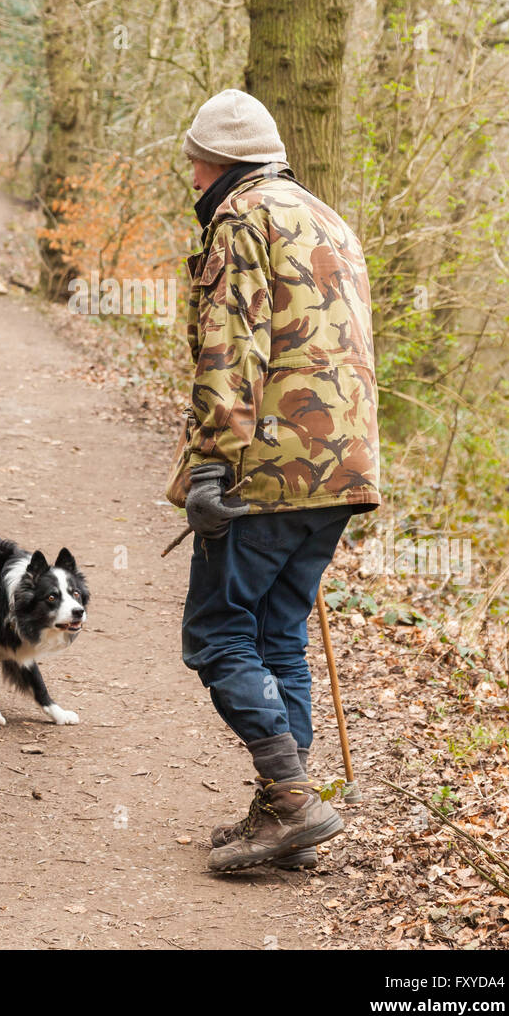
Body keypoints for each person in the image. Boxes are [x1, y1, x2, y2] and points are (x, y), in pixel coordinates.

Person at [167, 88, 381, 873]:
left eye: (196, 160)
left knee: (218, 633)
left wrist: (214, 461)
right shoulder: (327, 217)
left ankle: (289, 798)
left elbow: (232, 345)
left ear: (223, 162)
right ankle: (285, 807)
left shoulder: (240, 217)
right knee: (279, 634)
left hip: (268, 466)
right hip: (344, 463)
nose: (190, 174)